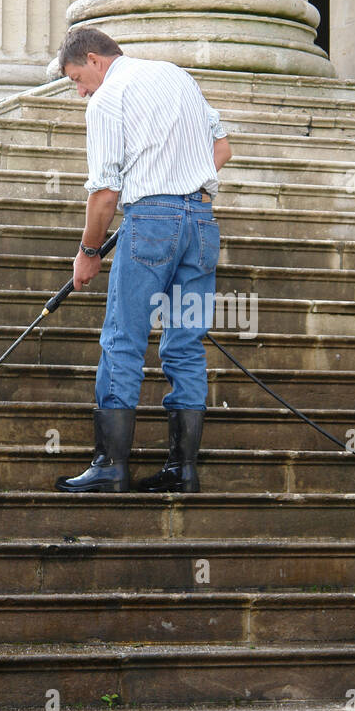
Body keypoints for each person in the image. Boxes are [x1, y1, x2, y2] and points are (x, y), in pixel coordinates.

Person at [53, 27, 232, 493]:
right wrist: (181, 183)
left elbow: (105, 192)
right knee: (186, 343)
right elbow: (222, 149)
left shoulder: (108, 98)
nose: (79, 90)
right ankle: (183, 469)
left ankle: (111, 466)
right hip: (201, 223)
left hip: (152, 222)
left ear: (94, 59)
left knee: (123, 339)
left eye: (77, 78)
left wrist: (88, 253)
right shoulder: (176, 77)